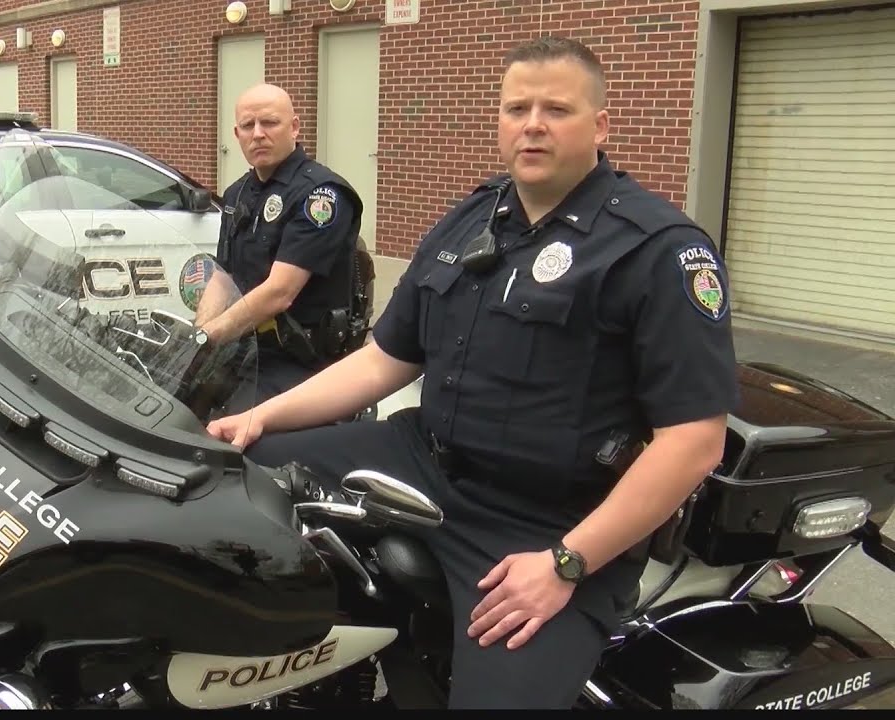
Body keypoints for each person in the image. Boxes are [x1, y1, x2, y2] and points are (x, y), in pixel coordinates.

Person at [206, 36, 739, 709]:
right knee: (227, 473)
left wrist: (566, 563)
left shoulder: (657, 250)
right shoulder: (472, 219)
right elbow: (383, 360)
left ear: (601, 125)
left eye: (557, 109)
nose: (533, 125)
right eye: (518, 108)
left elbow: (693, 442)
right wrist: (258, 417)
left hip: (547, 522)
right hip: (423, 463)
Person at [192, 83, 367, 411]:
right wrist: (199, 334)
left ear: (294, 127)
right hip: (246, 346)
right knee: (181, 398)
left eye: (270, 123)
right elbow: (223, 275)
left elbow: (280, 292)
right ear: (237, 134)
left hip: (300, 359)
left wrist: (212, 335)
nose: (258, 134)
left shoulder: (321, 196)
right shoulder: (237, 194)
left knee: (229, 428)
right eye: (248, 125)